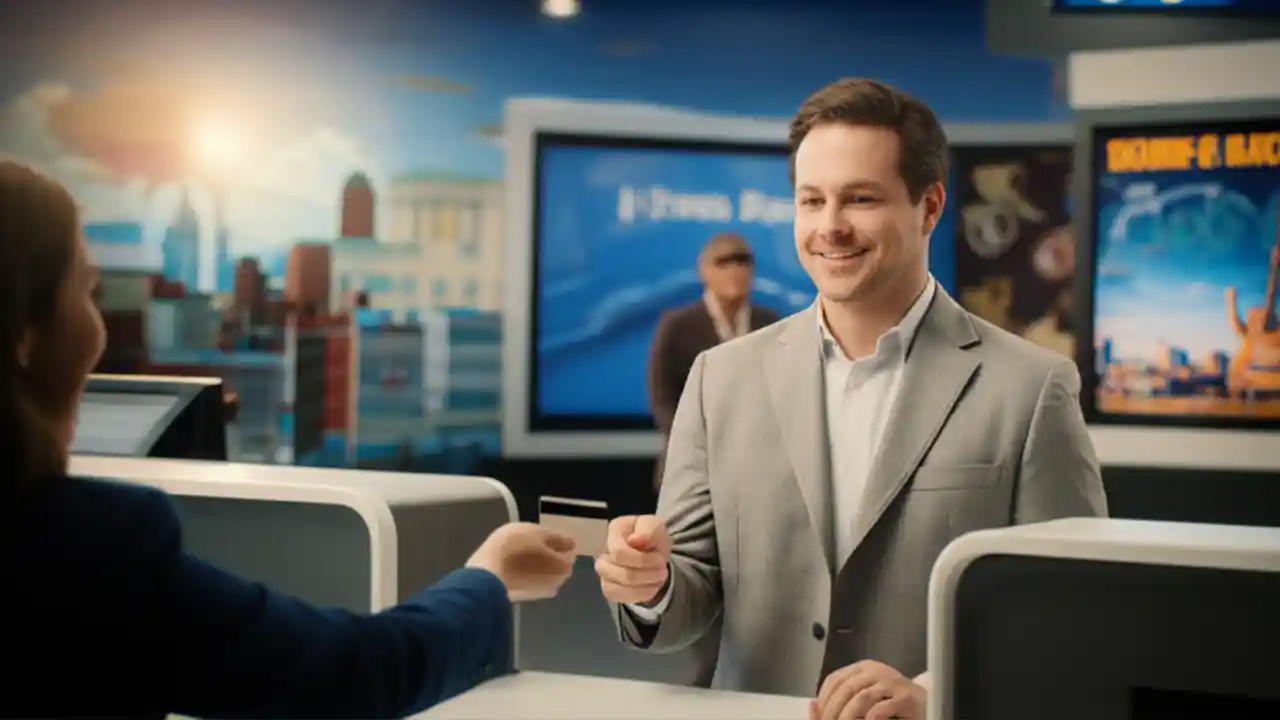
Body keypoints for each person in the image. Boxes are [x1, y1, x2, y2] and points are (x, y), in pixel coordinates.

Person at [594, 78, 1108, 719]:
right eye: (812, 201)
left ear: (929, 206)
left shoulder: (1031, 388)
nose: (830, 227)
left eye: (860, 199)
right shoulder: (719, 379)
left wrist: (936, 692)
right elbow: (688, 597)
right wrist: (651, 585)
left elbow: (1068, 610)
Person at [0, 159, 576, 719]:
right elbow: (356, 674)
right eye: (88, 292)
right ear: (25, 334)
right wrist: (488, 579)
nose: (98, 327)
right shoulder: (92, 549)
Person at [648, 232, 781, 493]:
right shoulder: (676, 326)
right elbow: (663, 398)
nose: (735, 270)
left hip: (758, 474)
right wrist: (700, 445)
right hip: (691, 471)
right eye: (724, 262)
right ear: (704, 270)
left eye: (743, 261)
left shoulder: (771, 324)